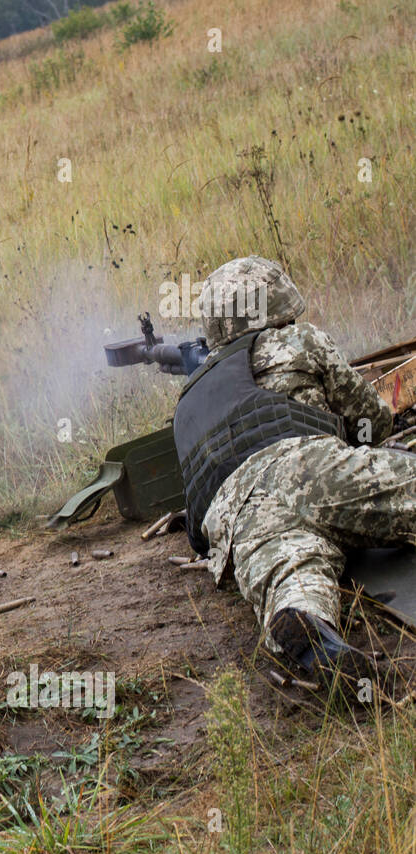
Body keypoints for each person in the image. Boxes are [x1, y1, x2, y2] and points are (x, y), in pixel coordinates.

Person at [173, 256, 416, 689]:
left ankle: (307, 629)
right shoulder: (298, 340)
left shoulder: (188, 404)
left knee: (294, 571)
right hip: (304, 469)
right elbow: (372, 421)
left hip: (237, 517)